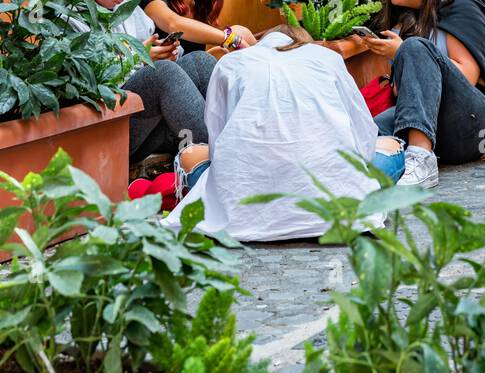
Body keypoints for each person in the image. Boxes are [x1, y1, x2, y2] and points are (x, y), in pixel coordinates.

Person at [165, 20, 405, 242]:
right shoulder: (328, 58)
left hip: (240, 217)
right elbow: (363, 134)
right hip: (340, 212)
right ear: (303, 43)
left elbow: (217, 142)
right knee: (391, 146)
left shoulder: (231, 62)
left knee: (189, 155)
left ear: (265, 41)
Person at [78, 0, 248, 165]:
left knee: (199, 60)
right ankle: (232, 162)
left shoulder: (126, 5)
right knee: (163, 74)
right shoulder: (68, 15)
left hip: (153, 123)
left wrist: (168, 51)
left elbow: (153, 43)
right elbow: (86, 81)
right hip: (109, 129)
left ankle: (249, 138)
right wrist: (139, 59)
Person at [363, 0, 485, 190]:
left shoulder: (462, 7)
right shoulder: (402, 16)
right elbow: (406, 95)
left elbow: (467, 77)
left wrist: (403, 51)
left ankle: (421, 158)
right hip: (427, 124)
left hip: (470, 125)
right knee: (360, 133)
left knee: (415, 47)